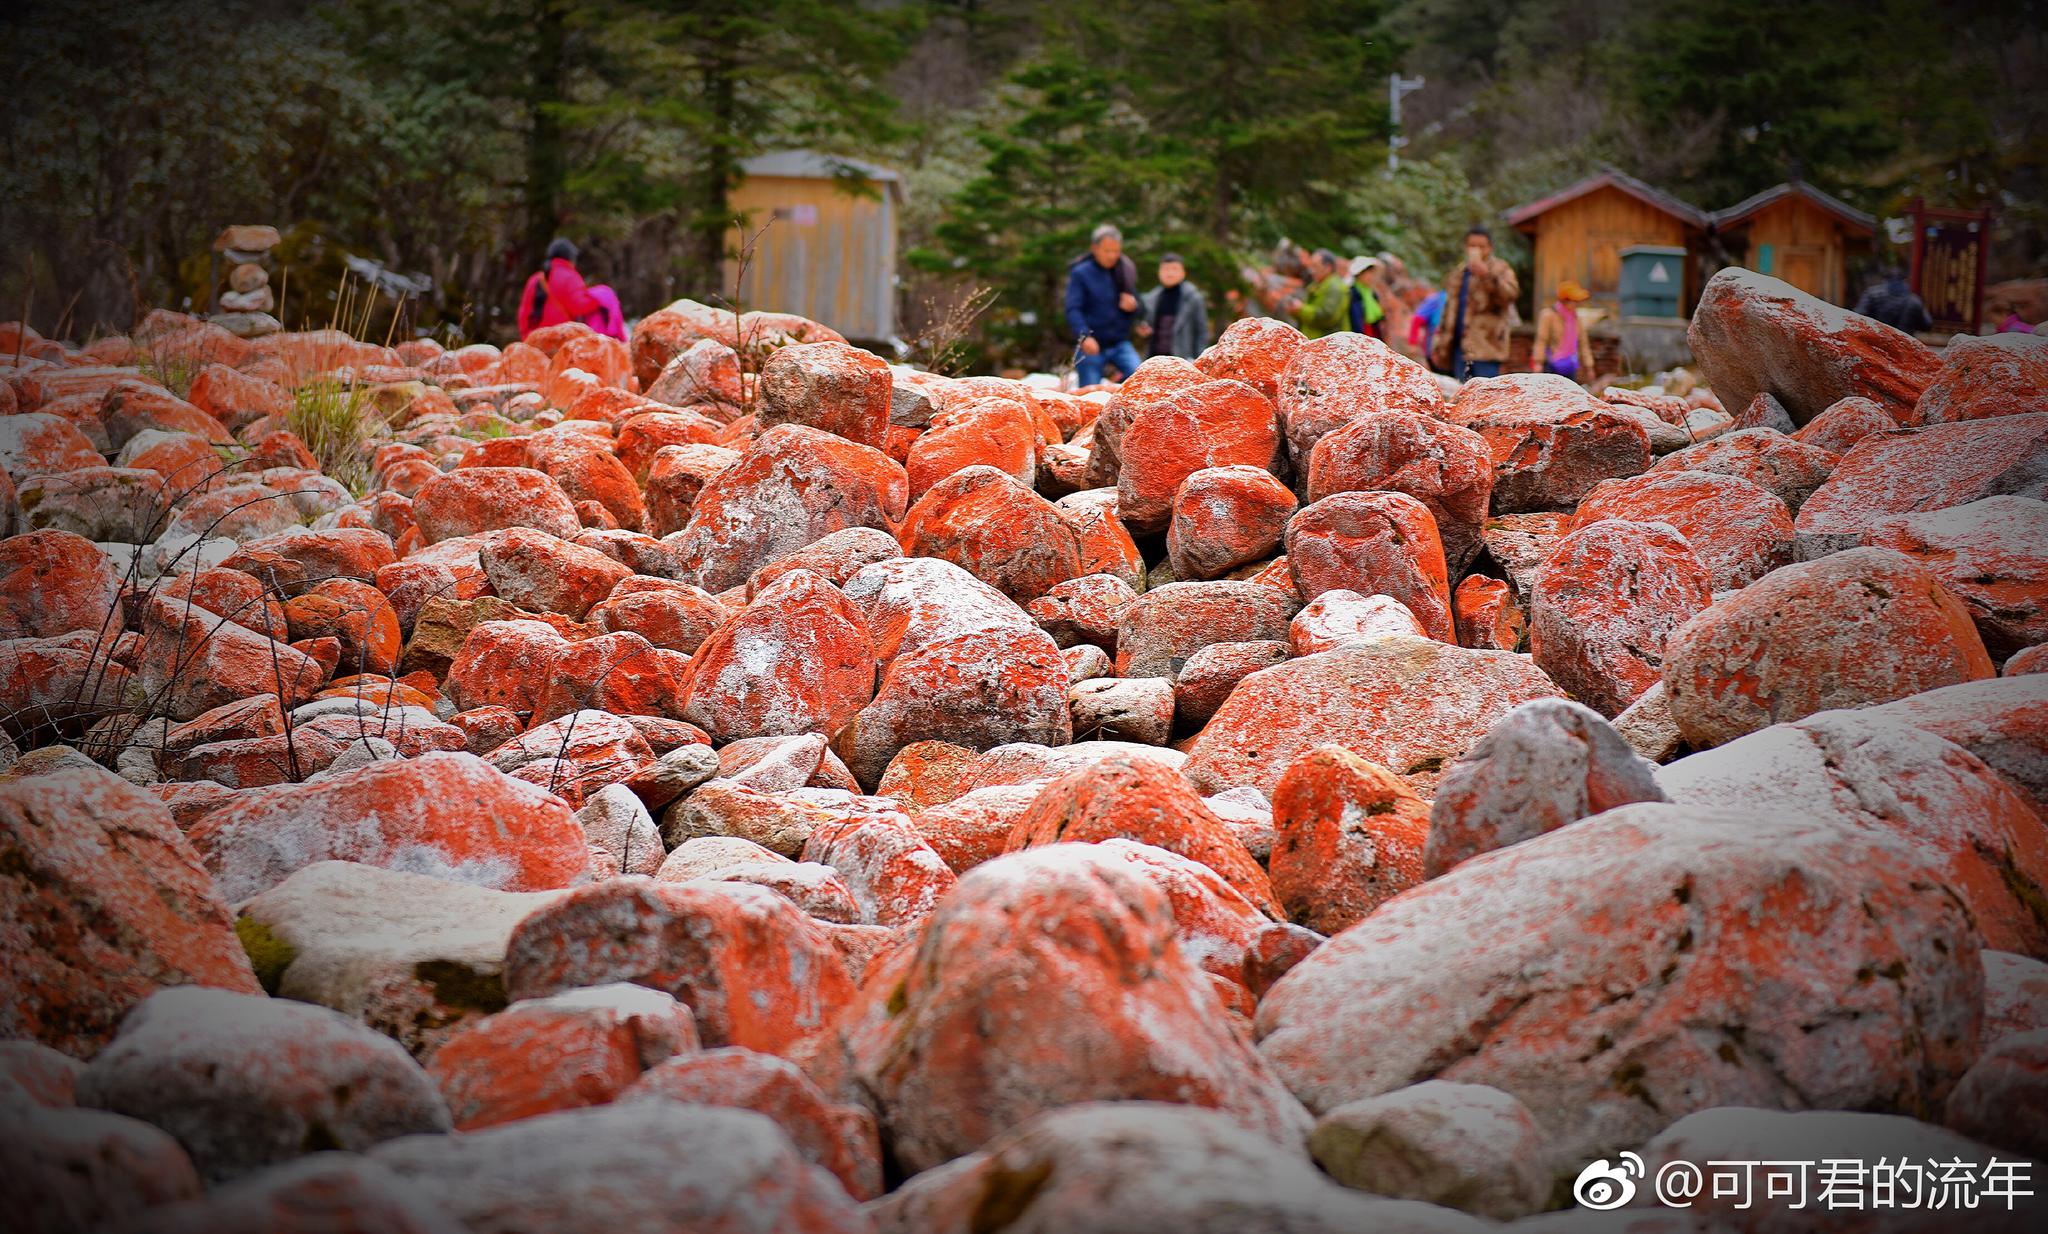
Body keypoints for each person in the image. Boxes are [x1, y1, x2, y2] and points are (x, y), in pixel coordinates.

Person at [1429, 226, 1519, 380]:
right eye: (1472, 246)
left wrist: (1486, 276)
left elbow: (1509, 297)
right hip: (1458, 348)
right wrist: (1439, 344)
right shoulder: (1459, 272)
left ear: (1490, 248)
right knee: (1461, 390)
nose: (1476, 250)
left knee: (1485, 391)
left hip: (1487, 347)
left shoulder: (1500, 269)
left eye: (1481, 246)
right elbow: (1448, 310)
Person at [1065, 224, 1146, 386]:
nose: (1112, 256)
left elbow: (1141, 307)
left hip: (1120, 342)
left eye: (1116, 251)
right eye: (1107, 251)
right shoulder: (1081, 273)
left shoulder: (1124, 271)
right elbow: (1073, 309)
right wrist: (1084, 336)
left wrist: (1133, 306)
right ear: (1094, 248)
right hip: (1092, 342)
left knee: (1140, 378)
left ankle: (1116, 394)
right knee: (1091, 390)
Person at [517, 239, 625, 341]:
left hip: (535, 338)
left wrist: (526, 337)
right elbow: (578, 306)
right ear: (571, 258)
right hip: (561, 339)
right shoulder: (569, 276)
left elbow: (523, 312)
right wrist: (600, 298)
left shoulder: (535, 279)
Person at [1140, 253, 1210, 360]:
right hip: (1155, 359)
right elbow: (1145, 325)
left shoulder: (1193, 298)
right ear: (1159, 272)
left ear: (1183, 272)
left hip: (1184, 359)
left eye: (1175, 269)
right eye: (1166, 269)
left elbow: (1202, 332)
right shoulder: (1152, 298)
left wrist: (1199, 359)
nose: (1170, 273)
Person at [1531, 279, 1595, 382]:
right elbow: (1541, 340)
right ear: (1565, 300)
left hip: (1570, 364)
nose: (1577, 304)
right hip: (1552, 364)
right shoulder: (1548, 315)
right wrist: (1538, 362)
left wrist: (1589, 366)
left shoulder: (1576, 318)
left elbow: (1583, 343)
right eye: (1574, 301)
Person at [1852, 267, 1934, 334]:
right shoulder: (1915, 301)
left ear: (1885, 279)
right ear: (1905, 280)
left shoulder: (1871, 294)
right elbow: (1927, 325)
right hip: (1904, 346)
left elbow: (1857, 317)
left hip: (1876, 344)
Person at [1296, 249, 1351, 339]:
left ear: (1328, 267)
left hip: (1329, 342)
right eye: (1311, 266)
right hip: (1314, 338)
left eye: (1315, 266)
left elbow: (1328, 317)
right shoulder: (1317, 284)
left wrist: (1301, 309)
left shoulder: (1335, 288)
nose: (1311, 271)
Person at [1348, 255, 1387, 340]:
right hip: (1358, 337)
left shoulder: (1371, 293)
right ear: (1359, 275)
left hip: (1373, 334)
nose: (1371, 277)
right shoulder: (1353, 293)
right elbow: (1355, 321)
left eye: (1372, 273)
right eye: (1368, 273)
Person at [1409, 287, 1446, 367]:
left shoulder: (1436, 297)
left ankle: (1428, 358)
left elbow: (1418, 317)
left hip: (1429, 323)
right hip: (1432, 324)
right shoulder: (1441, 298)